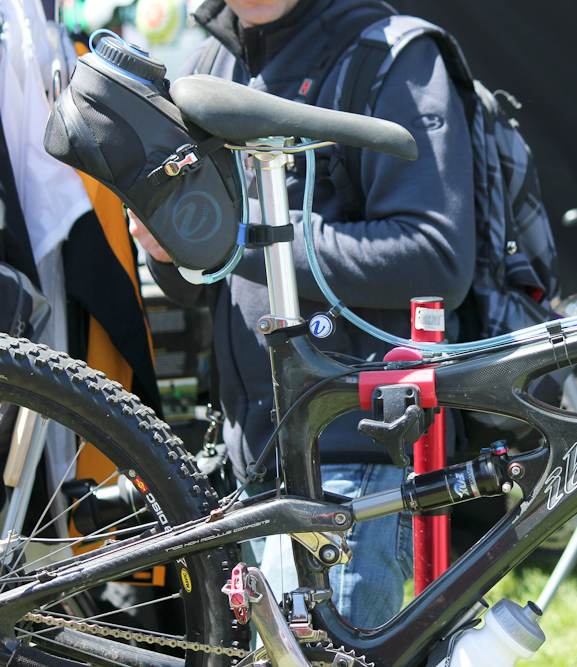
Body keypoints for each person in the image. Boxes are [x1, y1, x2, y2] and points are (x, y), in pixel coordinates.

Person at [130, 0, 474, 628]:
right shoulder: (205, 67)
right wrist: (169, 242)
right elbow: (191, 287)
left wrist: (248, 234)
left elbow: (436, 257)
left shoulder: (393, 55)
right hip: (246, 467)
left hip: (356, 458)